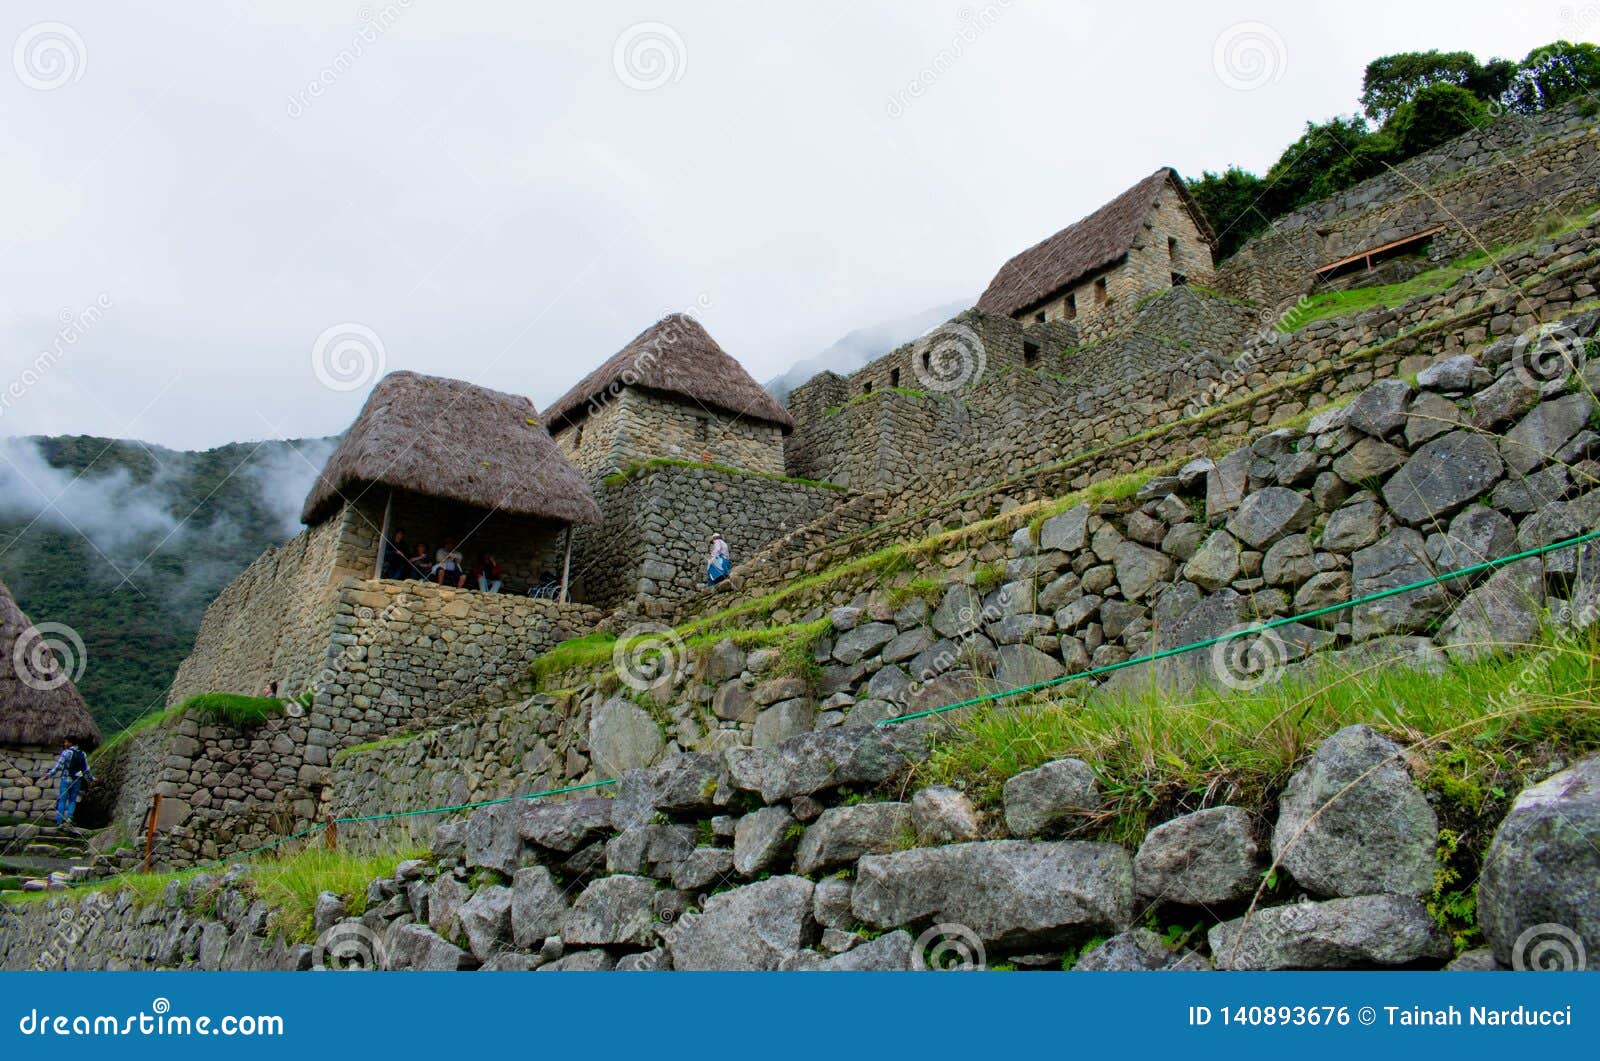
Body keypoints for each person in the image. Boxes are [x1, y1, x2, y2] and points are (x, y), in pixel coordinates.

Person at [42, 737, 93, 827]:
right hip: (77, 780)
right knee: (72, 800)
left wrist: (49, 775)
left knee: (62, 801)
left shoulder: (66, 753)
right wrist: (92, 779)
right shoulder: (82, 754)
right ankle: (69, 818)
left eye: (65, 742)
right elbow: (86, 769)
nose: (64, 744)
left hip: (66, 779)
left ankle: (59, 822)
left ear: (70, 743)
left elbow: (58, 766)